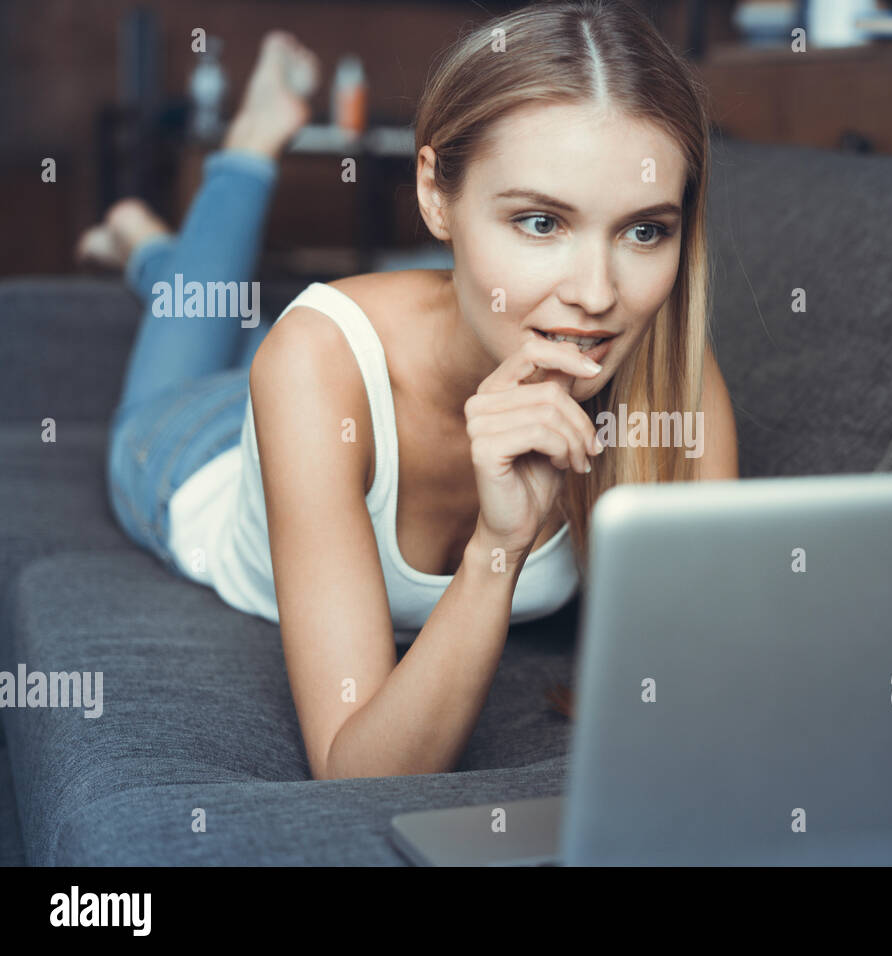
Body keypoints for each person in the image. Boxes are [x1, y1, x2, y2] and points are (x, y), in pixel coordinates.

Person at [96, 1, 739, 781]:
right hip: (199, 448)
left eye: (644, 231)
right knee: (200, 321)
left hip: (340, 385)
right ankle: (238, 157)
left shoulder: (668, 368)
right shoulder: (314, 359)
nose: (599, 295)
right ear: (436, 193)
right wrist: (498, 549)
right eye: (541, 223)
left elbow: (707, 685)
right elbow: (357, 775)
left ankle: (152, 248)